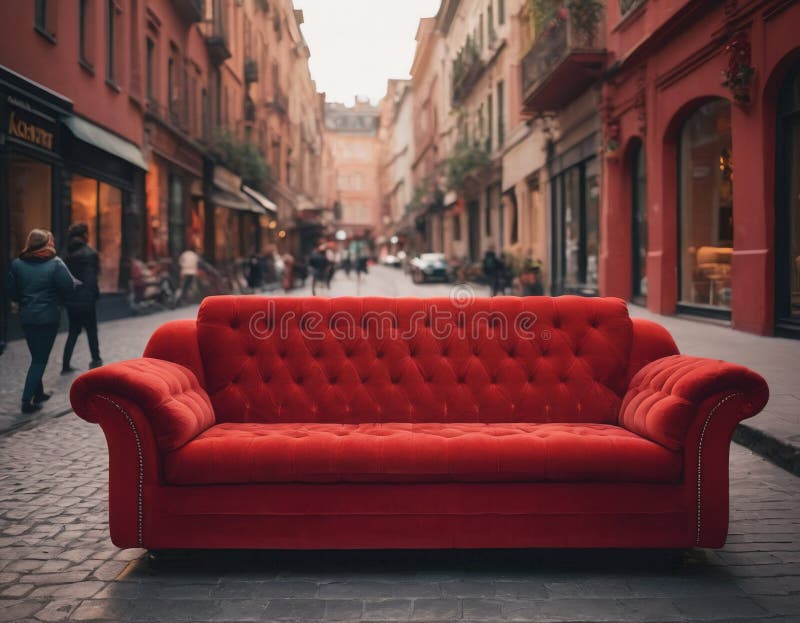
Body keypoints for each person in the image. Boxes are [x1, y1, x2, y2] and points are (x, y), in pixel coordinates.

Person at [7, 229, 76, 413]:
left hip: (27, 317)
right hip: (48, 317)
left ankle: (39, 393)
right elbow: (68, 287)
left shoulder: (17, 264)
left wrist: (25, 301)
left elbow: (12, 292)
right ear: (46, 243)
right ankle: (26, 400)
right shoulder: (55, 263)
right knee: (39, 359)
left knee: (36, 354)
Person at [61, 223, 102, 373]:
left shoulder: (66, 254)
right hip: (86, 298)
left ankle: (65, 365)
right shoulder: (89, 253)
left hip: (71, 299)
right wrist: (93, 295)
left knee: (73, 331)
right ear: (85, 234)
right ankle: (96, 360)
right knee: (91, 330)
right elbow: (91, 278)